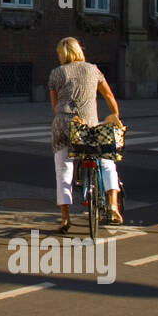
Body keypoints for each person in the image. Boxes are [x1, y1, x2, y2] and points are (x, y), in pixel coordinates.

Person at [49, 37, 122, 232]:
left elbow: (54, 106)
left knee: (63, 172)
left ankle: (65, 219)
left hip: (63, 124)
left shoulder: (56, 73)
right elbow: (108, 95)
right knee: (106, 162)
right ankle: (113, 204)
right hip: (89, 125)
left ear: (63, 54)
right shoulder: (93, 69)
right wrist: (115, 114)